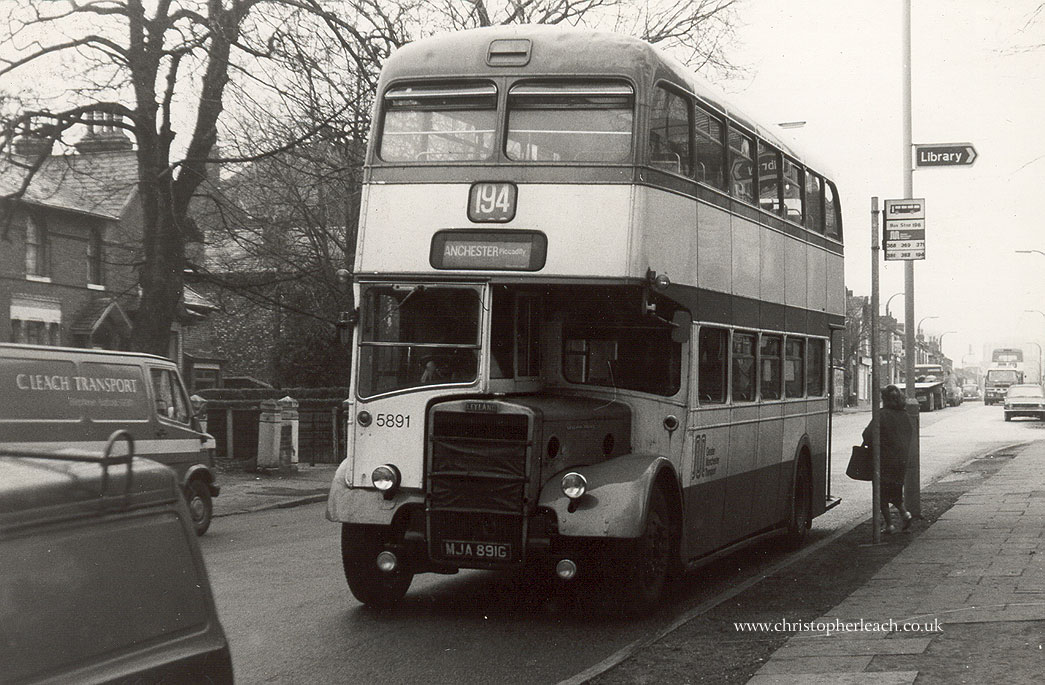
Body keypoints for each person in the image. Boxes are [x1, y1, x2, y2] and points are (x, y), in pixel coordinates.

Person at [862, 384, 913, 534]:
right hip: (900, 461)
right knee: (896, 490)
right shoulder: (904, 415)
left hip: (883, 461)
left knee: (880, 493)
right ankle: (905, 513)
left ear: (885, 399)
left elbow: (868, 434)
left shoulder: (882, 414)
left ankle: (889, 525)